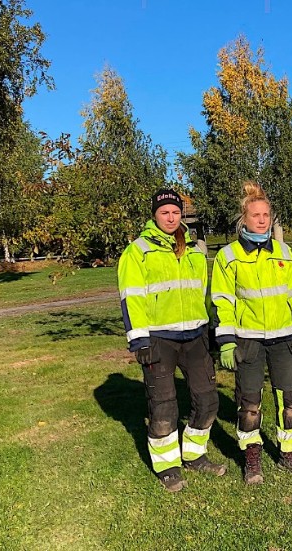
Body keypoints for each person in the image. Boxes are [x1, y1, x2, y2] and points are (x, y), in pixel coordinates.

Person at [117, 189, 227, 493]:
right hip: (158, 340)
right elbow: (132, 299)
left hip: (195, 338)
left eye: (175, 212)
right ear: (155, 214)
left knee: (208, 401)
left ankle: (193, 454)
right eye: (164, 212)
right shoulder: (138, 251)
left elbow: (202, 293)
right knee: (164, 408)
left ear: (182, 214)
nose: (170, 217)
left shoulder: (194, 249)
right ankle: (167, 465)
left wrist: (211, 329)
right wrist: (139, 340)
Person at [210, 181, 292, 485]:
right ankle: (252, 455)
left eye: (266, 215)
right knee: (249, 403)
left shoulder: (283, 251)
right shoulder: (228, 256)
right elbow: (222, 301)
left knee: (289, 398)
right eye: (255, 215)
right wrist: (227, 341)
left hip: (284, 338)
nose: (261, 220)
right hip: (248, 339)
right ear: (243, 219)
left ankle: (288, 452)